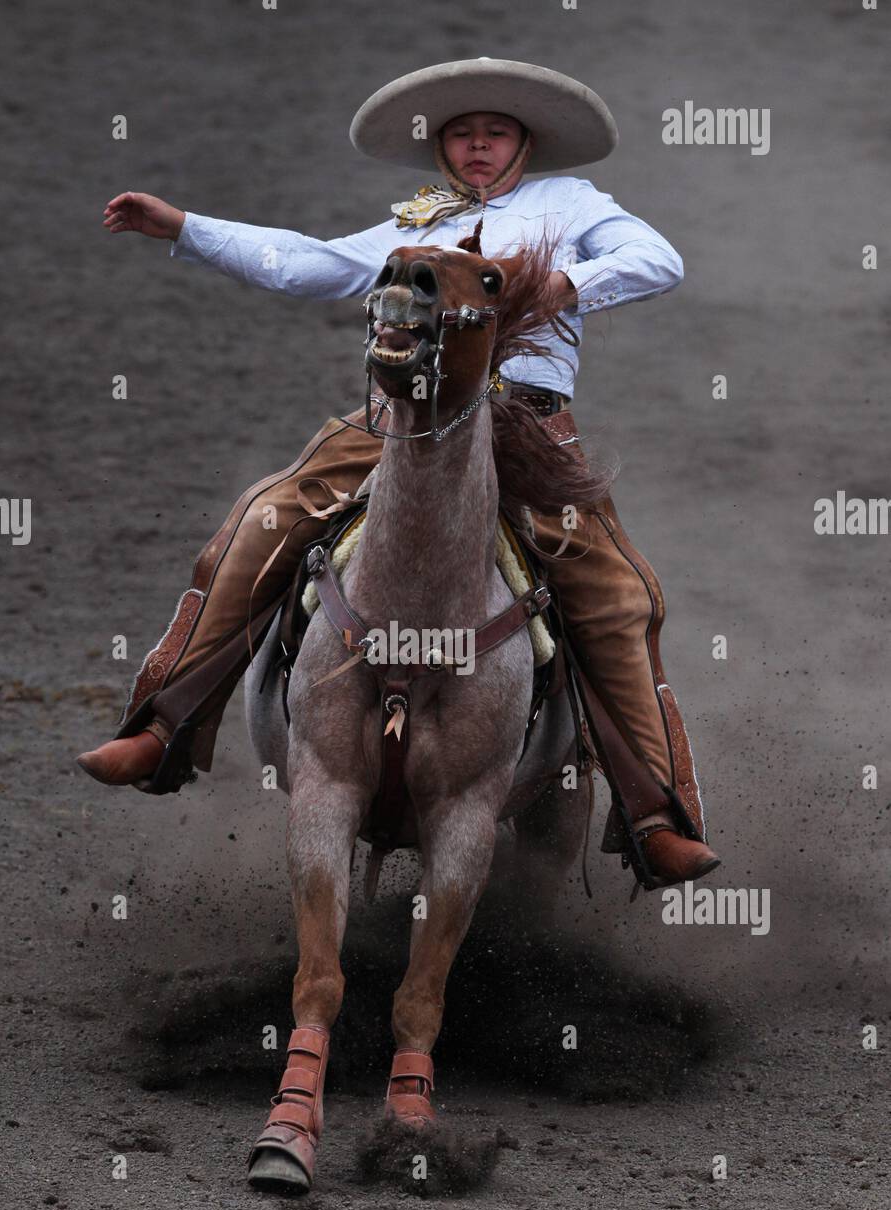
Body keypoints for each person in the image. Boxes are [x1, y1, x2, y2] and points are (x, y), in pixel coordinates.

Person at [77, 57, 720, 888]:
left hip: (525, 424)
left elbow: (656, 258)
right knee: (262, 516)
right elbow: (306, 264)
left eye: (494, 134)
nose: (478, 148)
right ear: (442, 149)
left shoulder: (573, 206)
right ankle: (164, 723)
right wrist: (185, 227)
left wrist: (561, 284)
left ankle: (655, 811)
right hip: (398, 421)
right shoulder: (411, 222)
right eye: (463, 135)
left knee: (619, 595)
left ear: (524, 143)